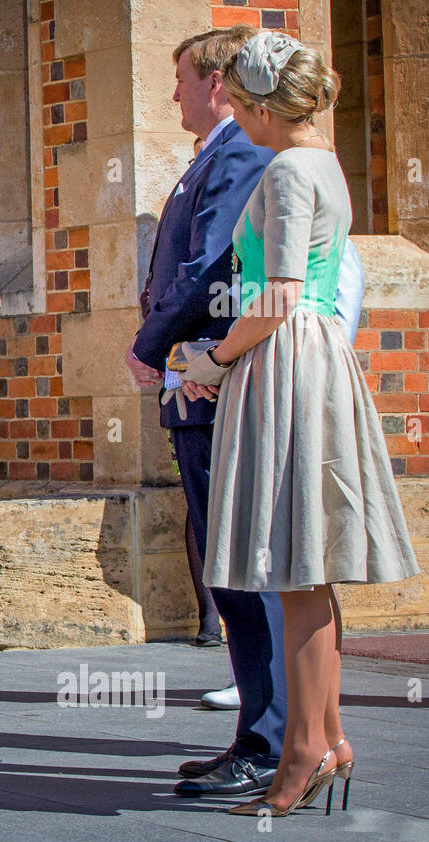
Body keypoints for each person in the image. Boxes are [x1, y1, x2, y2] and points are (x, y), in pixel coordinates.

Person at [180, 31, 419, 816]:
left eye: (239, 107)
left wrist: (213, 360)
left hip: (287, 361)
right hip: (312, 359)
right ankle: (331, 738)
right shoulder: (325, 161)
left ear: (255, 106)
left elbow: (278, 292)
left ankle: (303, 756)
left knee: (293, 574)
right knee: (306, 570)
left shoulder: (285, 167)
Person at [125, 27, 288, 798]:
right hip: (195, 385)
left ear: (218, 83)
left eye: (184, 81)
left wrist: (153, 343)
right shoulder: (214, 156)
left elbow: (209, 262)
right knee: (228, 564)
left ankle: (270, 739)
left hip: (213, 382)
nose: (175, 96)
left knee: (246, 567)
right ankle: (261, 732)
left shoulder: (239, 155)